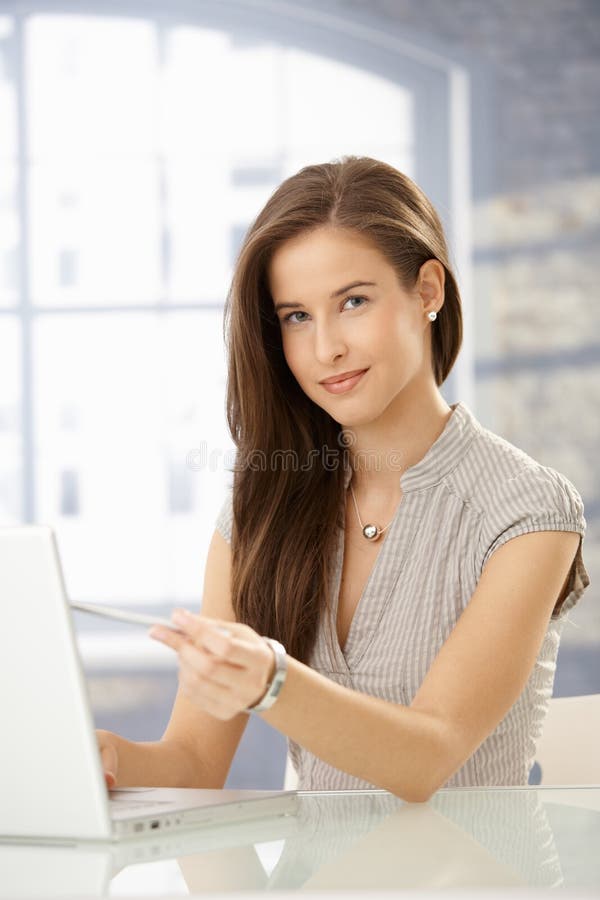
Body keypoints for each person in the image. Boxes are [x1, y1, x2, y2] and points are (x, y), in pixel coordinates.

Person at [97, 156, 590, 802]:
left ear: (427, 291)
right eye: (296, 317)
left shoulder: (528, 510)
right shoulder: (260, 513)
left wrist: (273, 682)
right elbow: (192, 763)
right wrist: (99, 759)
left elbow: (428, 755)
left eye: (353, 302)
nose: (325, 348)